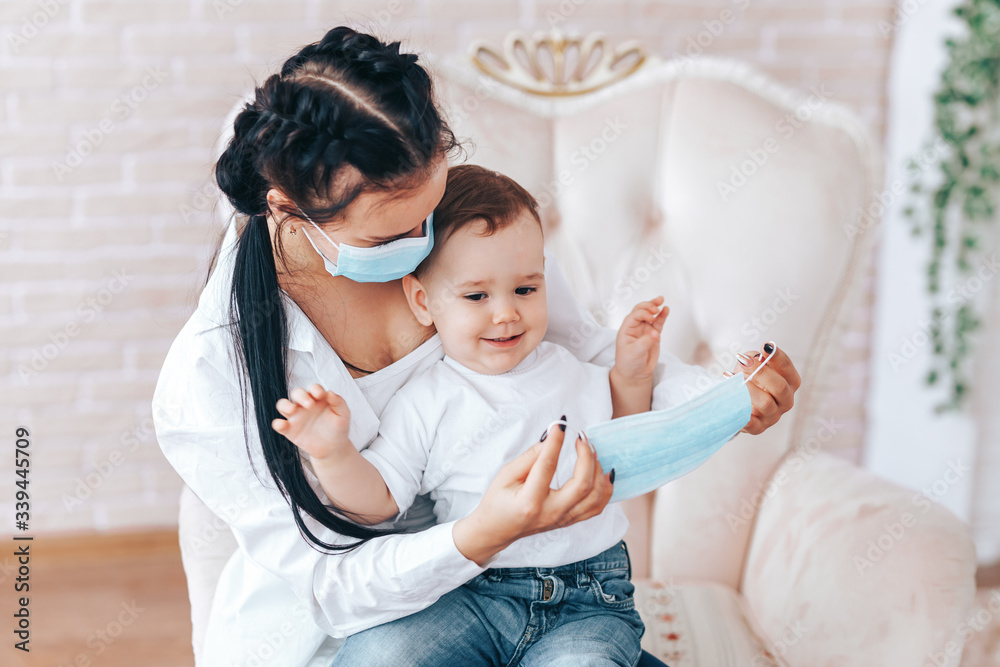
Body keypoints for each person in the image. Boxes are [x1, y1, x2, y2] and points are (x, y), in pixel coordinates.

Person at [151, 26, 801, 667]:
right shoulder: (211, 372)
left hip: (533, 588)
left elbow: (582, 357)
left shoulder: (466, 232)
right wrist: (481, 533)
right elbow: (334, 587)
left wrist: (724, 399)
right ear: (287, 207)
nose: (423, 241)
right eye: (388, 238)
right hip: (346, 630)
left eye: (428, 211)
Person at [276, 165, 673, 665]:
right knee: (378, 655)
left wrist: (633, 373)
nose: (506, 313)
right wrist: (333, 452)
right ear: (423, 302)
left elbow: (624, 436)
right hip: (468, 592)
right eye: (476, 296)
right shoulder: (426, 399)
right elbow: (378, 501)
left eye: (525, 290)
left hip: (586, 598)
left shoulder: (568, 370)